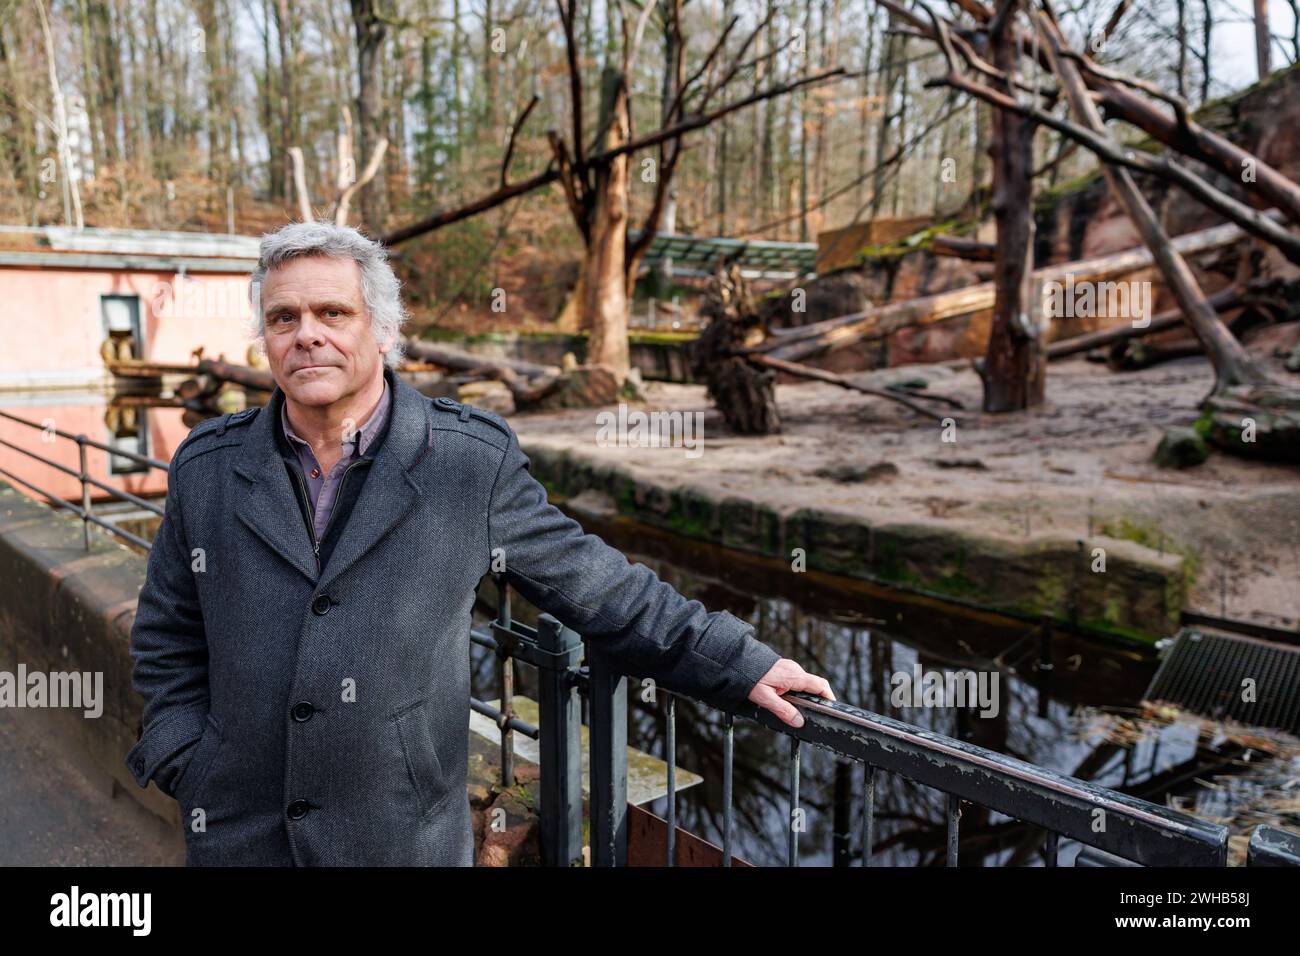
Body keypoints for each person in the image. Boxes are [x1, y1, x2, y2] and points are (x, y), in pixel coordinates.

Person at [124, 221, 833, 865]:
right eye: (284, 317)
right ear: (266, 338)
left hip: (401, 842)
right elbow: (166, 632)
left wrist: (741, 662)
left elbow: (601, 588)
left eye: (333, 313)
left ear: (384, 330)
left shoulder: (467, 464)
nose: (306, 334)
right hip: (241, 841)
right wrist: (187, 757)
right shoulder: (208, 467)